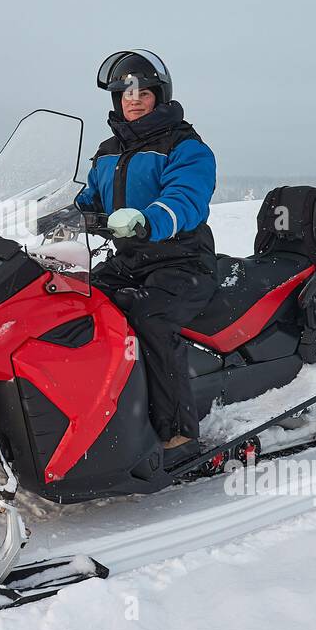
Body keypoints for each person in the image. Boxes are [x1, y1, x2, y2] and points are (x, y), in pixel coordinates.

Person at [75, 50, 217, 449]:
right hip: (129, 261)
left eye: (142, 91)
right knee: (75, 302)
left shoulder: (185, 146)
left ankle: (177, 431)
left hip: (182, 261)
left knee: (149, 318)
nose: (132, 100)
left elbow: (186, 198)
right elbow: (89, 199)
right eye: (124, 93)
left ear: (159, 94)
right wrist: (51, 215)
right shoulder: (107, 151)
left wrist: (148, 218)